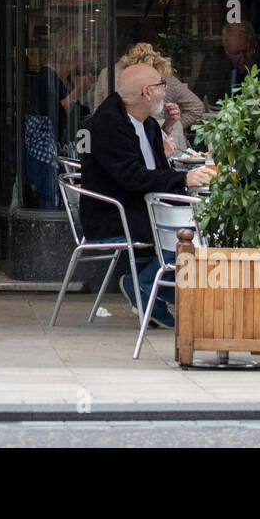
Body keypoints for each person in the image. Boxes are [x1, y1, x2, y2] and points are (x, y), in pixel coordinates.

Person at [79, 64, 215, 328]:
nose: (166, 93)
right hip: (112, 214)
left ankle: (150, 288)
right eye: (162, 87)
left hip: (140, 206)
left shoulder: (147, 124)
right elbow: (133, 177)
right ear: (147, 92)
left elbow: (154, 169)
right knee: (188, 229)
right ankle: (148, 285)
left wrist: (167, 128)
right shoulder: (108, 125)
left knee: (197, 222)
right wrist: (184, 178)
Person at [195, 21, 260, 105]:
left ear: (254, 47)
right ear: (227, 51)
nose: (242, 58)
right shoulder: (213, 69)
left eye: (246, 51)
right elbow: (200, 98)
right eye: (236, 53)